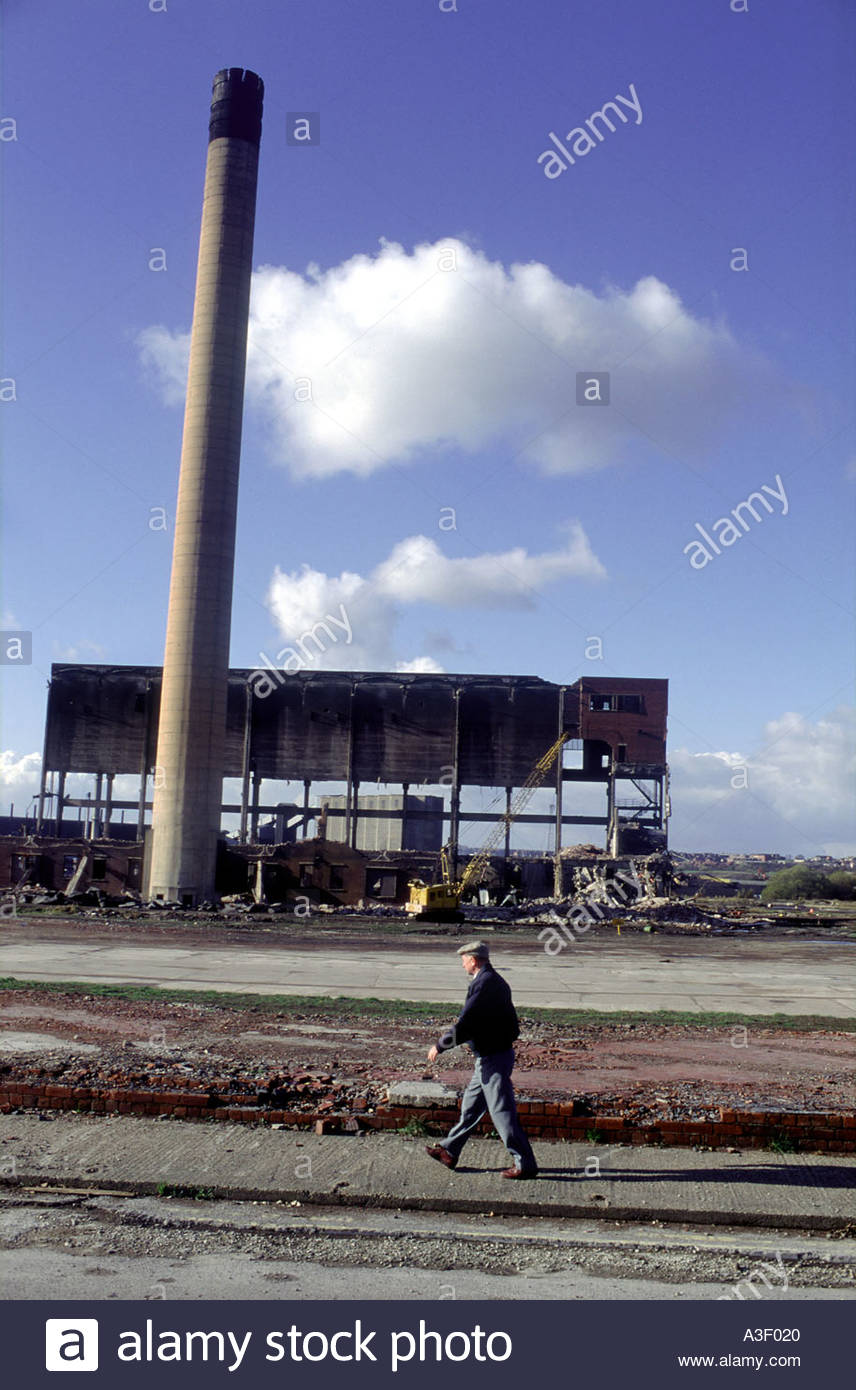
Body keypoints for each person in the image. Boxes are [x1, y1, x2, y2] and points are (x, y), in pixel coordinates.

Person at [424, 940, 538, 1179]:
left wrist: (440, 1045)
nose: (462, 964)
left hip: (494, 1058)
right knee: (471, 1107)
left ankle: (525, 1164)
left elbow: (467, 1023)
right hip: (488, 1057)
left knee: (502, 1112)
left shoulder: (486, 984)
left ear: (473, 960)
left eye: (464, 960)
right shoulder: (491, 981)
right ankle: (449, 1151)